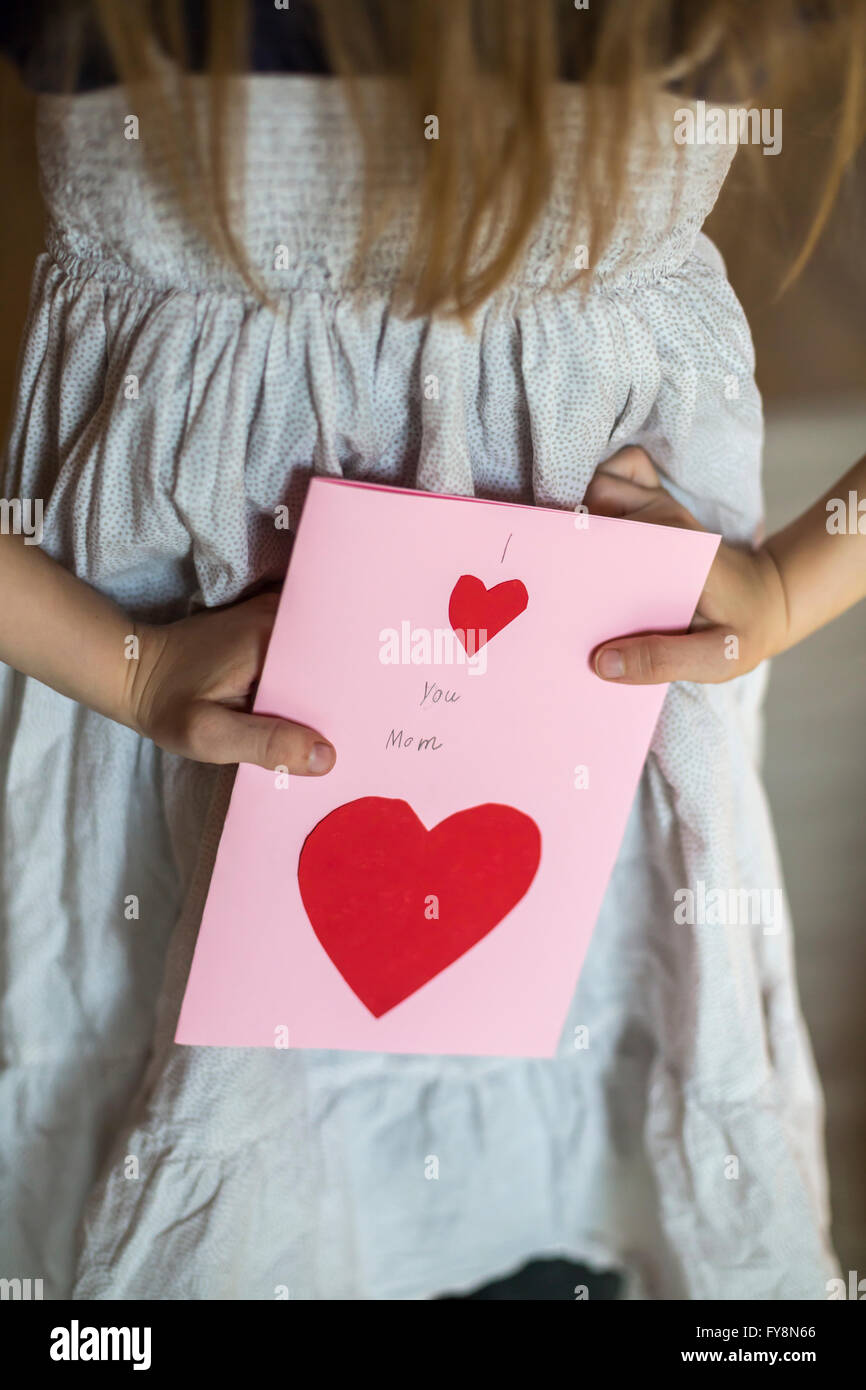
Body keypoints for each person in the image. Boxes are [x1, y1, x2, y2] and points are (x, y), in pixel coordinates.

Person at [0, 0, 863, 1300]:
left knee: (545, 1208)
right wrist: (120, 663)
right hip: (149, 745)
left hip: (594, 803)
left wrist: (800, 580)